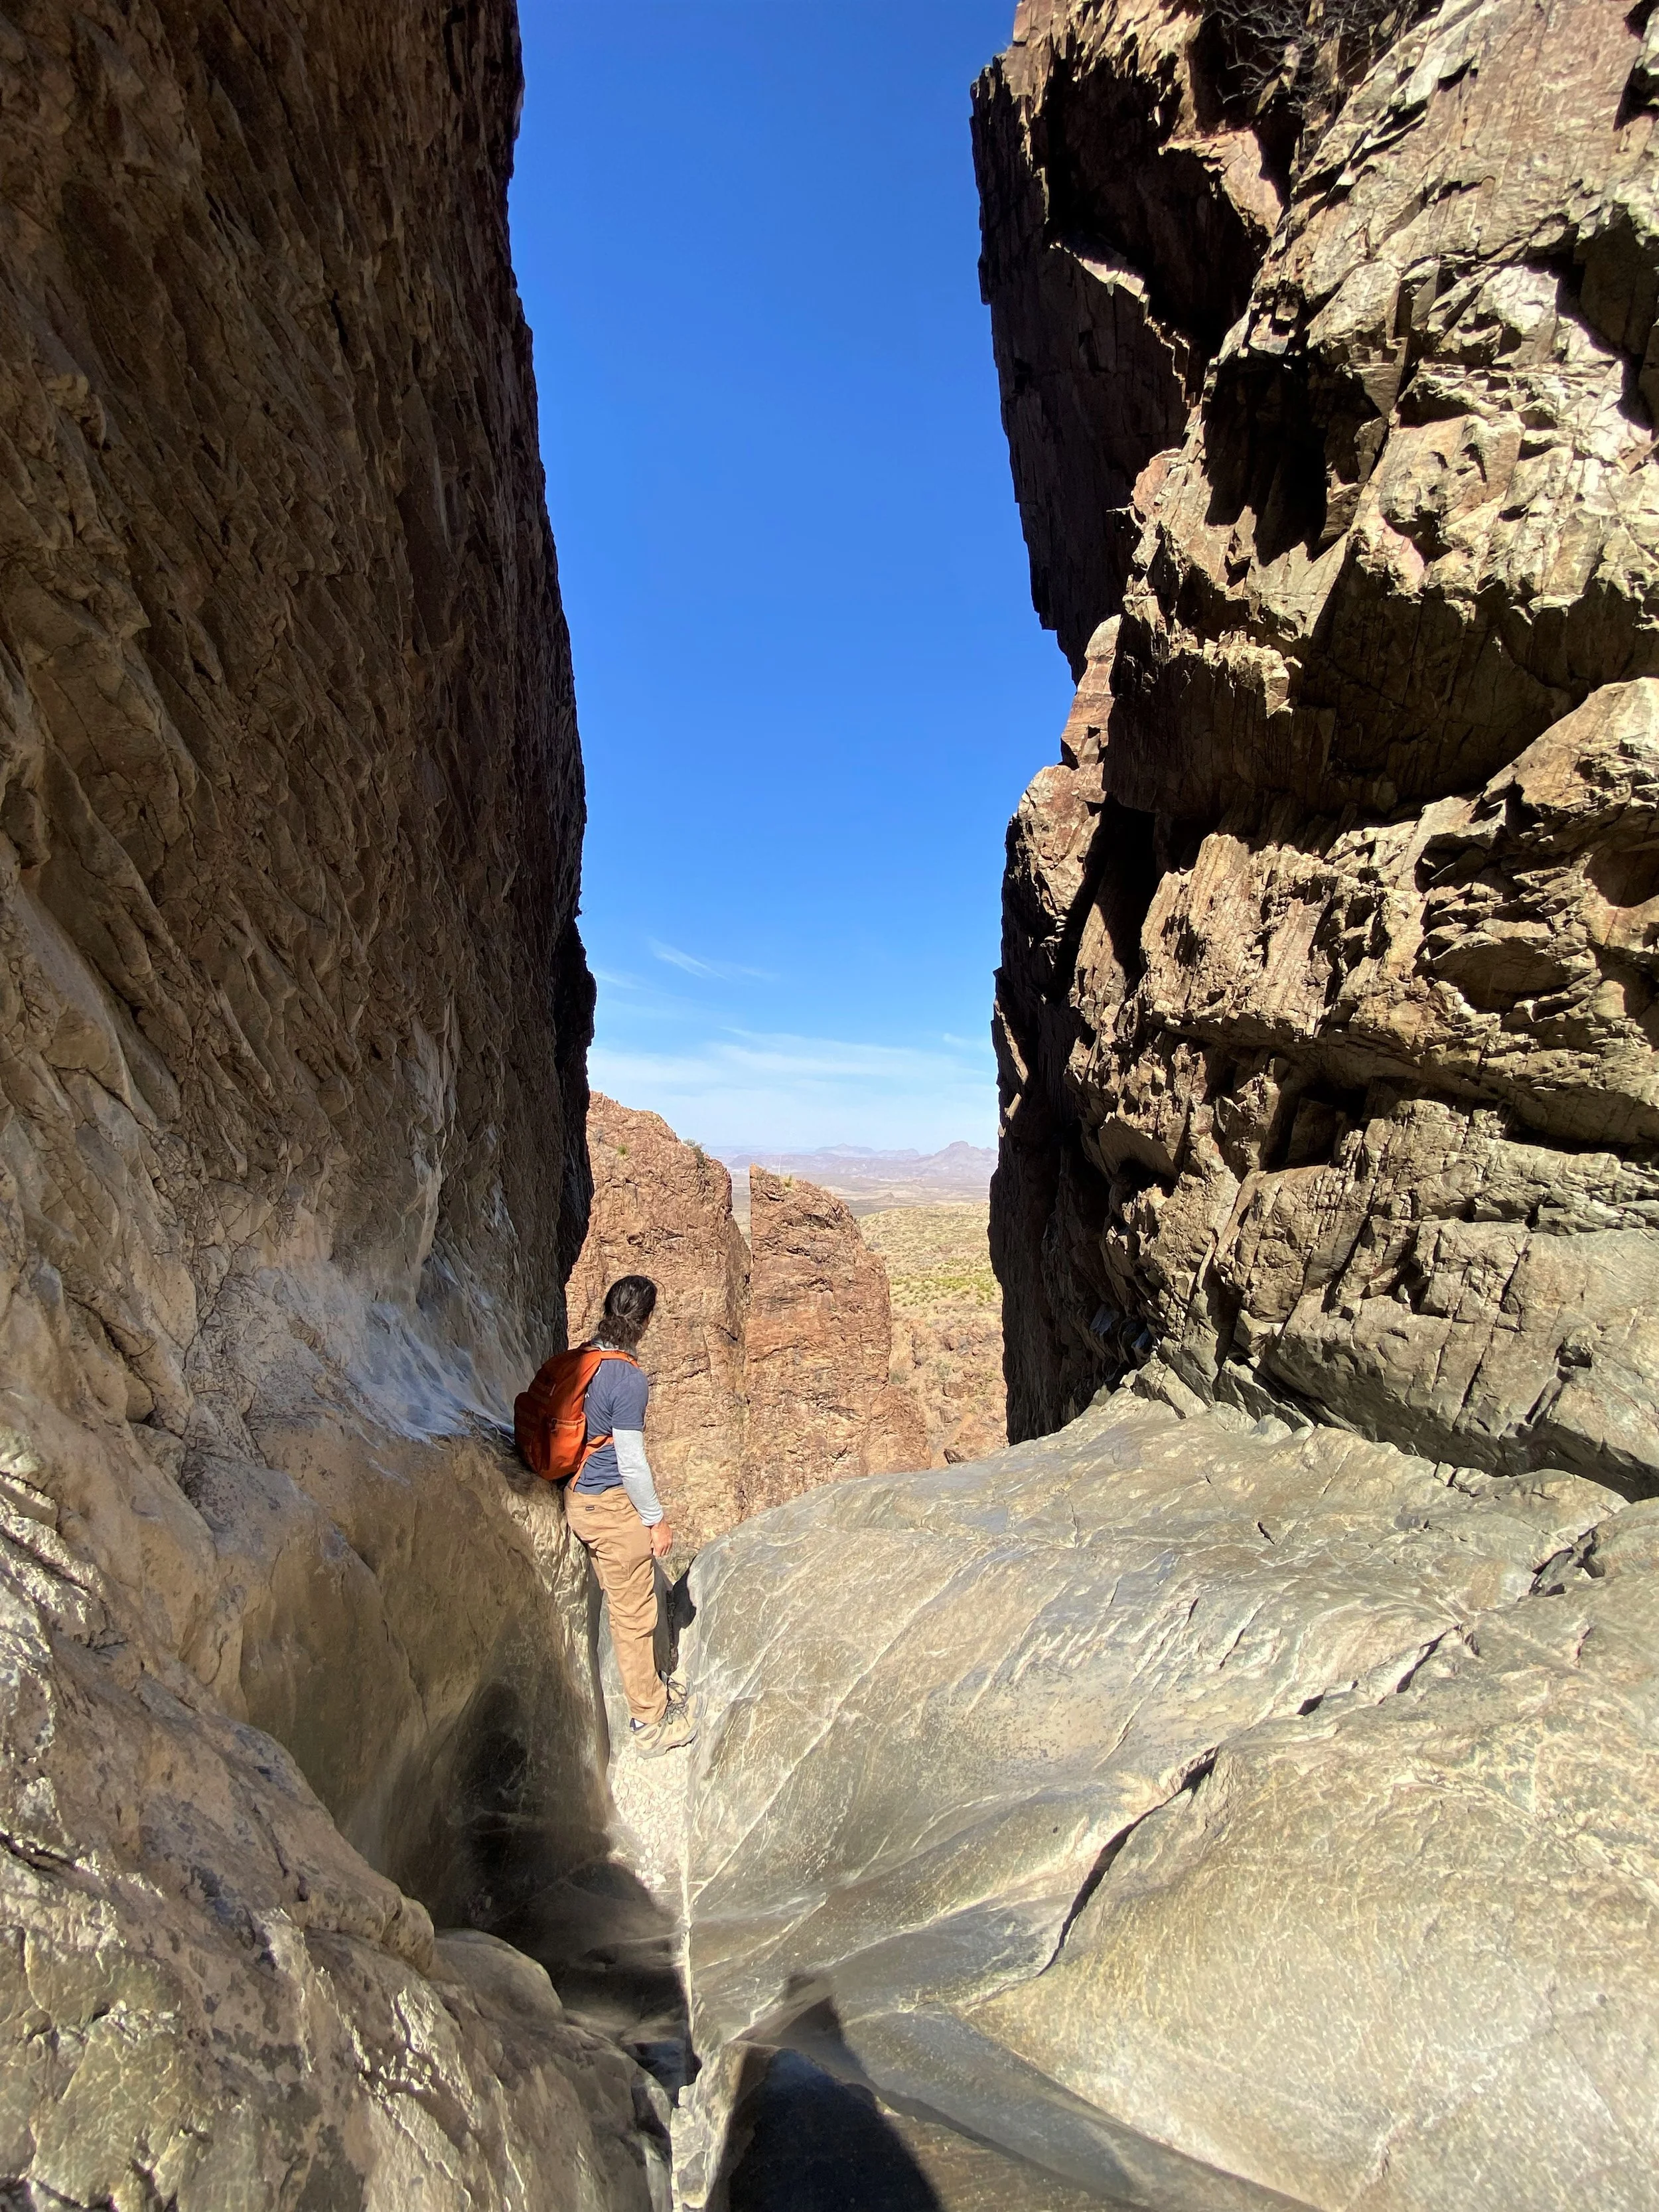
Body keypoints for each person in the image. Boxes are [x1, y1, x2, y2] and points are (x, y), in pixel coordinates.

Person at [563, 1274, 695, 1757]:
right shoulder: (628, 1378)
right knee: (635, 1614)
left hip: (578, 1494)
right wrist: (655, 1520)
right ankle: (649, 1721)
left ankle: (650, 1696)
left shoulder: (587, 1357)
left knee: (631, 1595)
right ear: (645, 1321)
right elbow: (632, 1462)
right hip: (609, 1505)